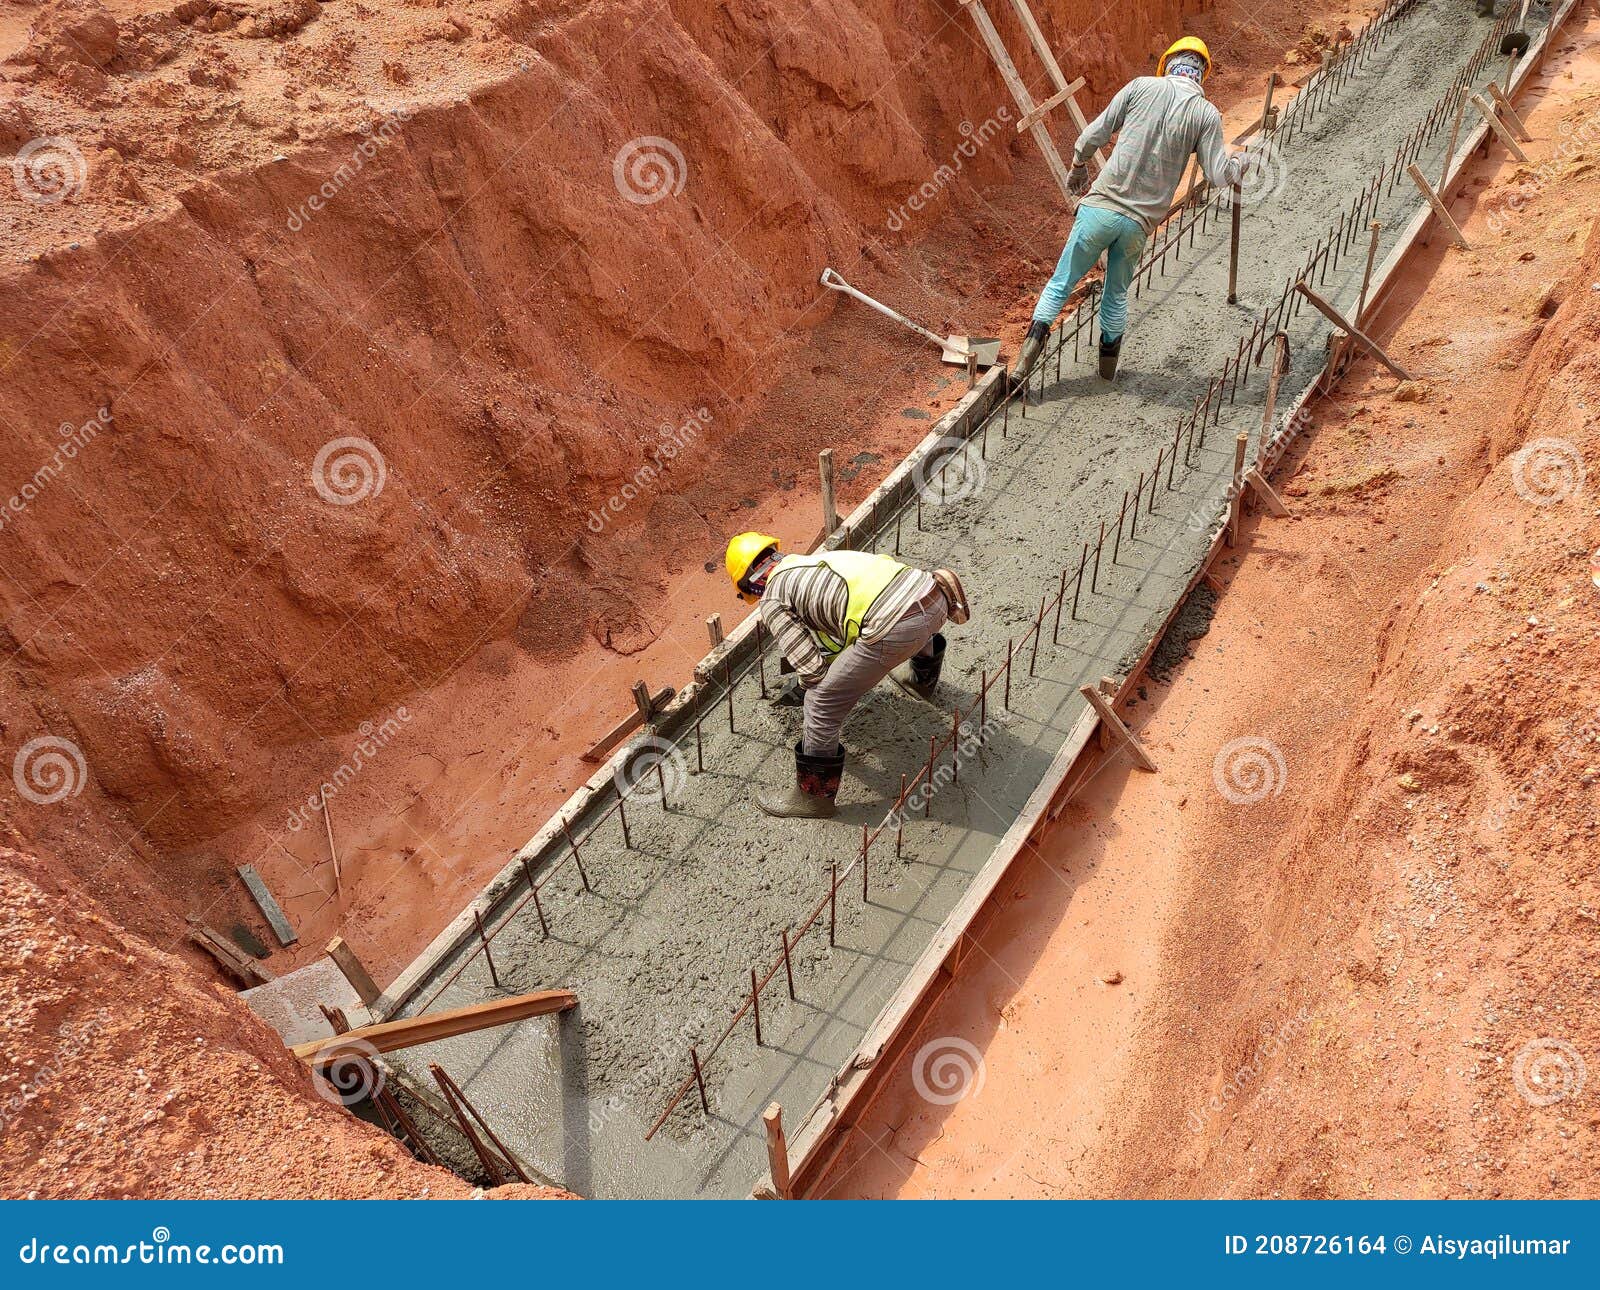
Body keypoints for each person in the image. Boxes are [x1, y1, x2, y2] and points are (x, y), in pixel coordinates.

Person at [1015, 37, 1250, 384]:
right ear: (1202, 73)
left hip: (1100, 209)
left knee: (1060, 284)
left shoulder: (1140, 87)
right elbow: (1217, 175)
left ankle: (1023, 364)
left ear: (1168, 64)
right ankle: (1107, 374)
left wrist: (1079, 164)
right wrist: (1239, 164)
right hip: (1137, 226)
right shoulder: (1206, 114)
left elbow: (1094, 133)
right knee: (1116, 295)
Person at [724, 532, 970, 819]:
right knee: (903, 622)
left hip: (898, 626)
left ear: (749, 585)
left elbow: (811, 669)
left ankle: (812, 799)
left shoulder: (772, 597)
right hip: (934, 596)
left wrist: (807, 685)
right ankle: (920, 683)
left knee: (820, 702)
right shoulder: (816, 563)